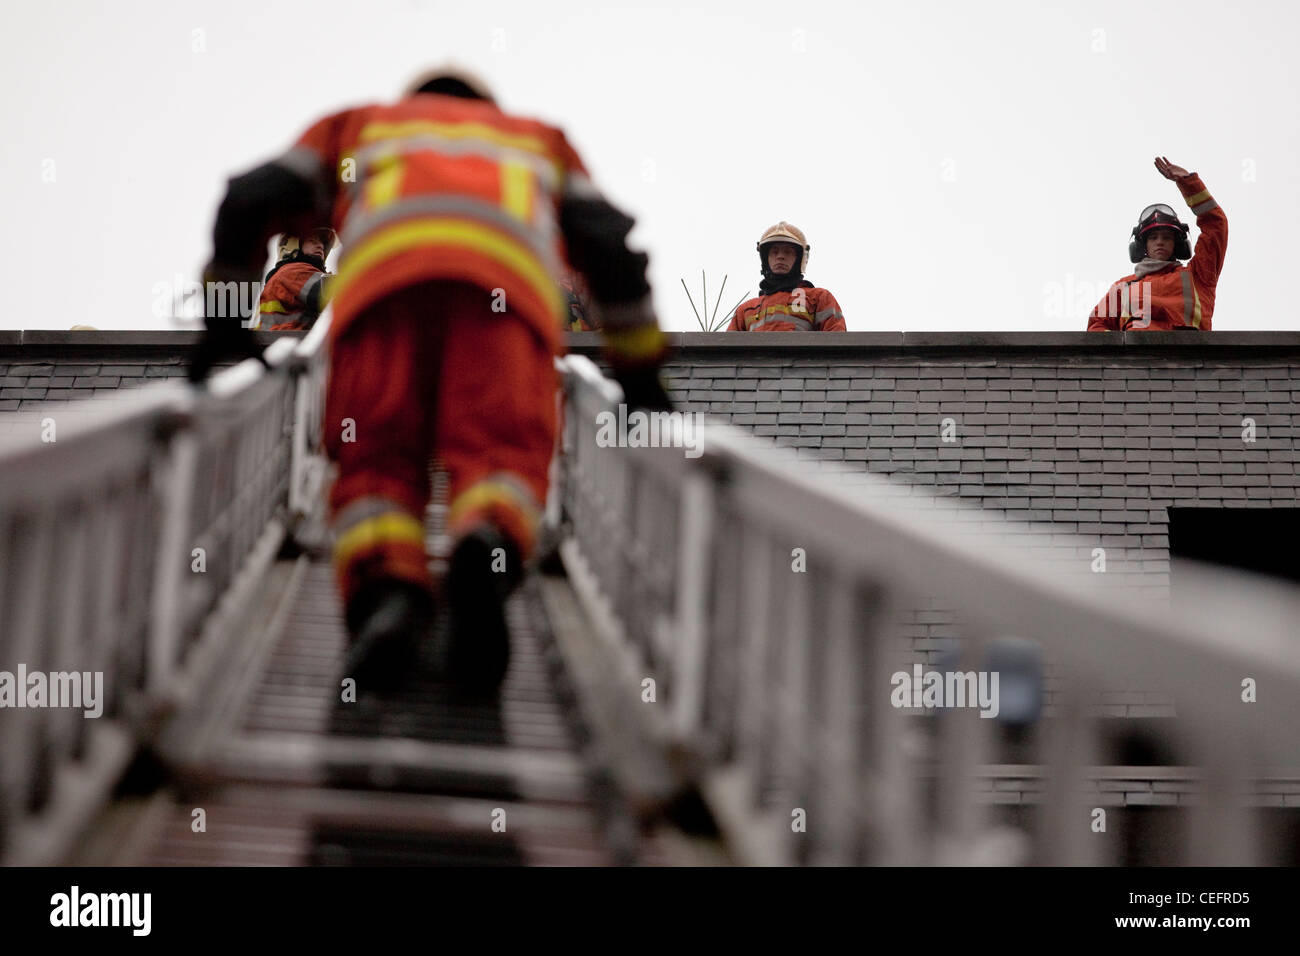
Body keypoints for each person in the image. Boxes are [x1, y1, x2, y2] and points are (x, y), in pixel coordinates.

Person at [192, 66, 671, 695]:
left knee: (375, 465)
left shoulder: (359, 127)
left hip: (380, 299)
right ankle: (485, 543)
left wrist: (225, 319)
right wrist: (639, 372)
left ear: (414, 100)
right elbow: (609, 246)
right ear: (488, 108)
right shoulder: (538, 141)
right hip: (505, 309)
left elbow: (251, 198)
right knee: (501, 457)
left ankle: (390, 594)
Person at [1087, 157, 1227, 331]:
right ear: (1142, 246)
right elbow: (1097, 325)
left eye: (1167, 237)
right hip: (1139, 357)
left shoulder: (1198, 276)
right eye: (1153, 238)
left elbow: (1216, 227)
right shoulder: (1123, 287)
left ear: (1177, 244)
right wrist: (1119, 353)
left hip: (1189, 356)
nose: (1160, 242)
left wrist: (1188, 183)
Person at [727, 221, 846, 331]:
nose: (780, 257)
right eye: (774, 252)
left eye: (788, 252)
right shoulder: (746, 310)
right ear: (765, 259)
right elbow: (727, 349)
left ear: (800, 259)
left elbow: (837, 342)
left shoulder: (818, 298)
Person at [254, 229, 336, 331]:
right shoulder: (293, 272)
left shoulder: (282, 275)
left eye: (322, 243)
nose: (321, 246)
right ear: (293, 247)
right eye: (312, 241)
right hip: (289, 339)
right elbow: (330, 291)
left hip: (278, 341)